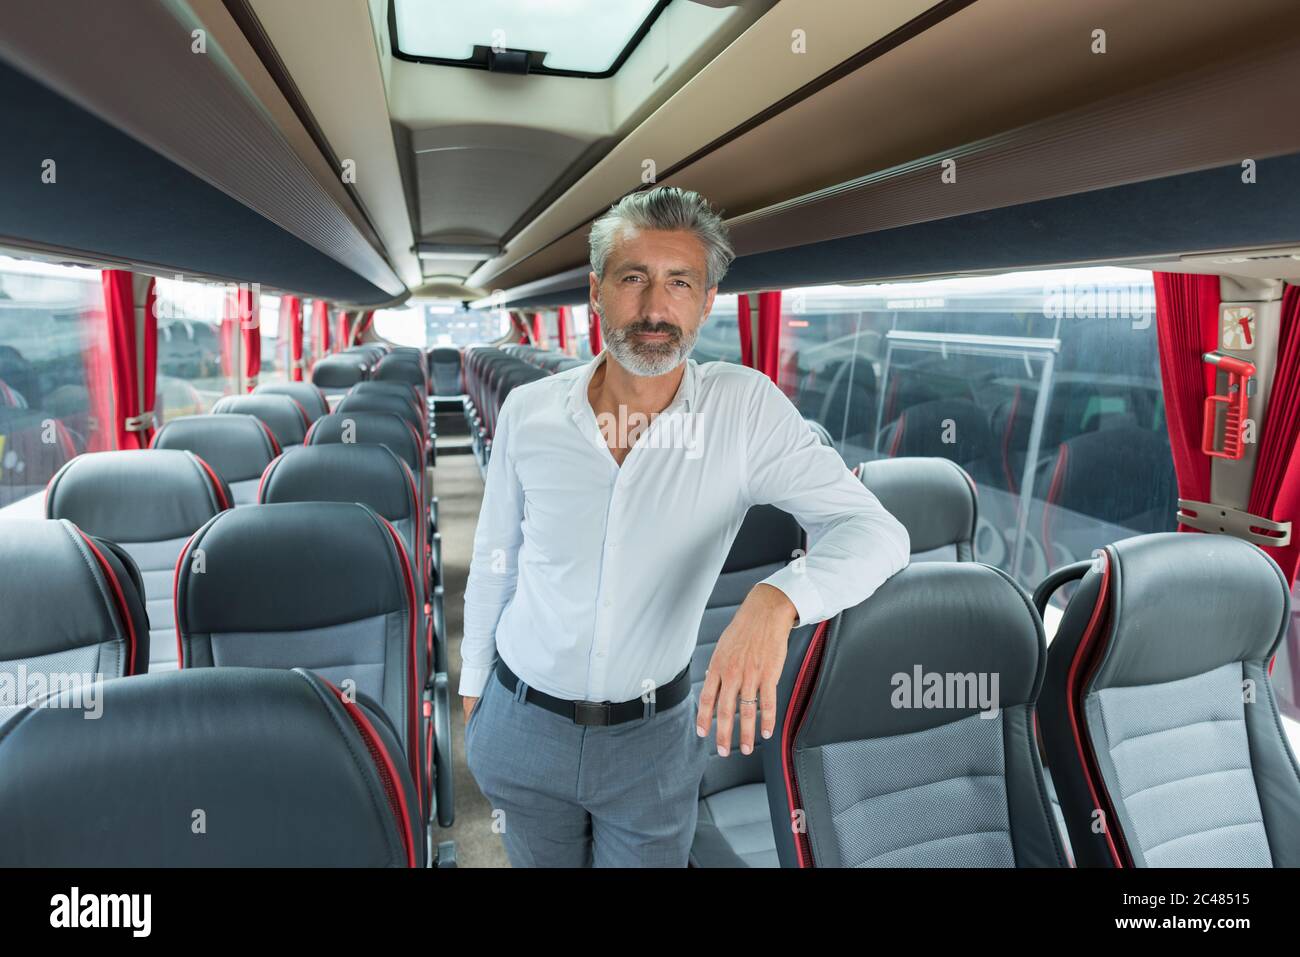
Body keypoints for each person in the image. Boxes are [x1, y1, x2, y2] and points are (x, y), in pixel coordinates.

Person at [461, 186, 910, 866]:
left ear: (706, 303)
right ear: (597, 291)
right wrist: (474, 698)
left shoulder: (745, 411)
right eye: (633, 278)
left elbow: (878, 532)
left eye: (679, 283)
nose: (653, 308)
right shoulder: (530, 411)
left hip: (654, 743)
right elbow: (496, 559)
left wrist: (778, 598)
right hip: (523, 719)